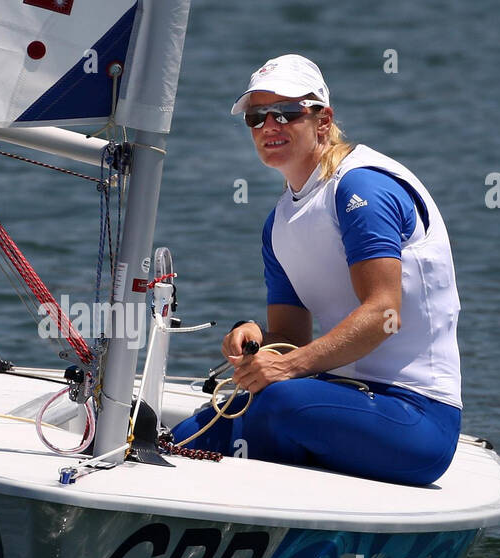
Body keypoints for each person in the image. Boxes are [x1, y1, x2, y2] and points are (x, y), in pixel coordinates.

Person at [169, 55, 463, 486]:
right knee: (182, 436)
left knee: (276, 401)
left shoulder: (363, 188)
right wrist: (255, 339)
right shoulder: (277, 226)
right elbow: (292, 343)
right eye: (256, 117)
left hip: (417, 418)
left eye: (286, 113)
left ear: (323, 120)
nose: (269, 126)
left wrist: (286, 368)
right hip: (338, 402)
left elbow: (385, 314)